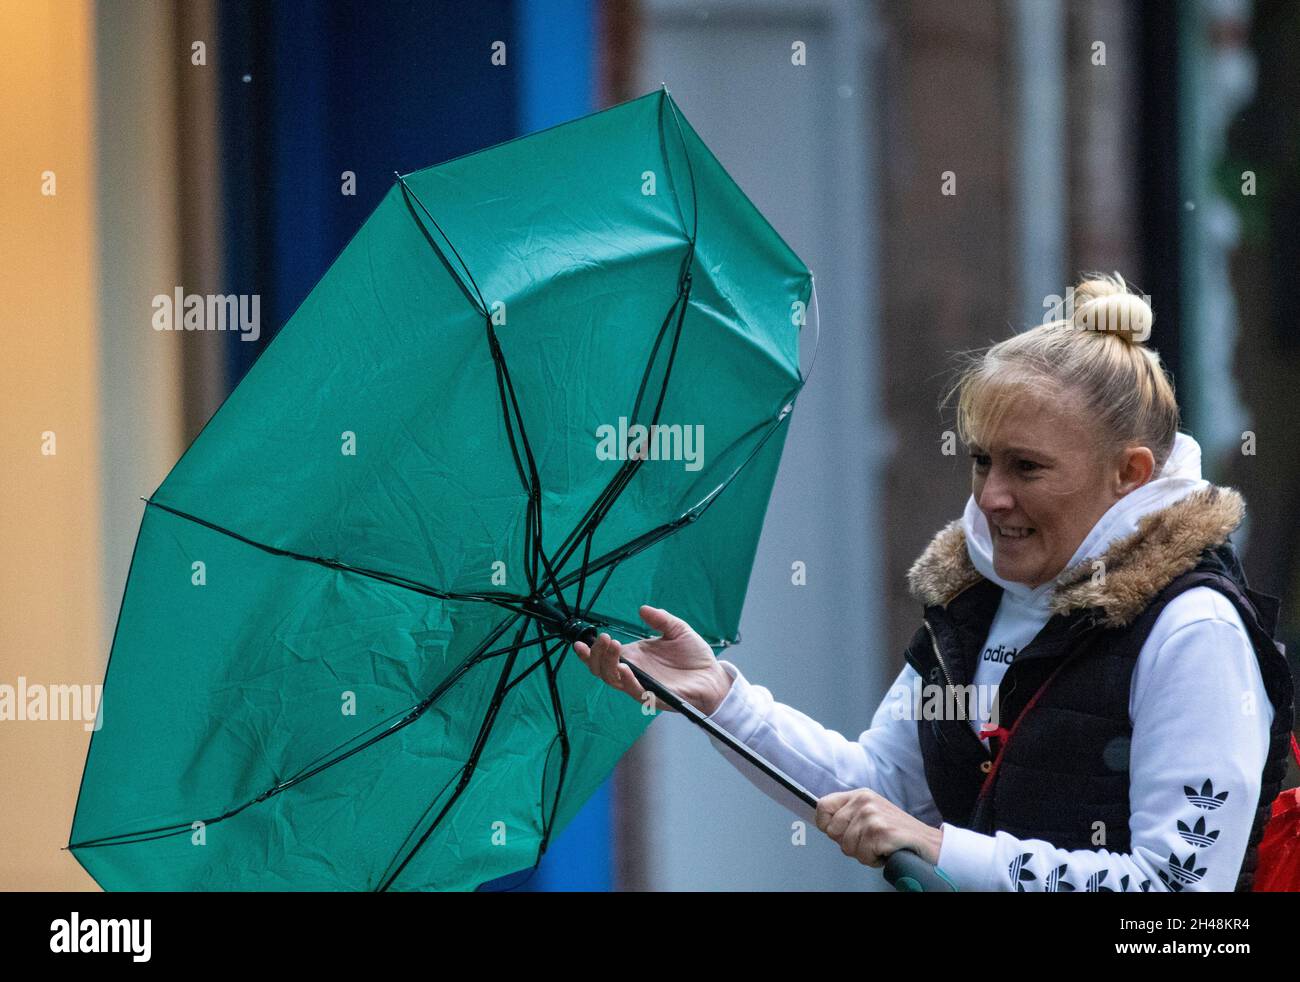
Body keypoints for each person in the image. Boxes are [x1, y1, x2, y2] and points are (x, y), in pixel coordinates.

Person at [573, 272, 1295, 892]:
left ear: (1129, 473)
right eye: (983, 461)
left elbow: (1176, 896)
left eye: (1026, 467)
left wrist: (946, 849)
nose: (990, 496)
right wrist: (721, 701)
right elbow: (880, 790)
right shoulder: (977, 602)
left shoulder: (1195, 632)